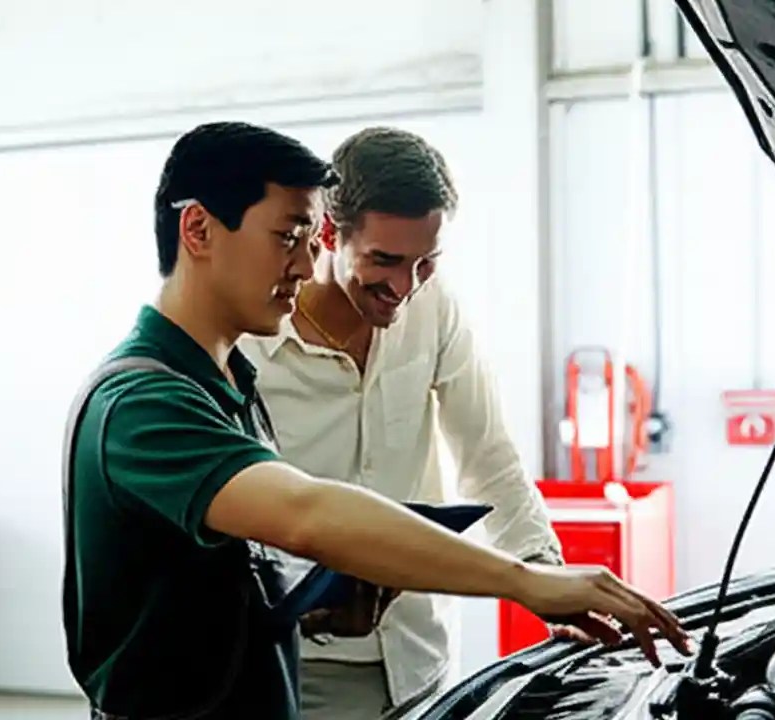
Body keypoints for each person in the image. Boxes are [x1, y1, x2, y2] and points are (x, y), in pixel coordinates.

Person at [62, 121, 689, 720]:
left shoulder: (231, 380)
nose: (304, 266)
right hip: (267, 690)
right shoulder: (146, 404)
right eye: (289, 238)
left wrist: (314, 610)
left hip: (394, 655)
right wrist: (522, 582)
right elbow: (306, 514)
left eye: (303, 242)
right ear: (197, 229)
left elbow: (228, 571)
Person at [238, 126, 570, 719]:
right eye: (384, 261)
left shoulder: (434, 305)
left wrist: (547, 579)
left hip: (422, 652)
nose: (404, 287)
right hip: (307, 666)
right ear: (327, 233)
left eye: (425, 263)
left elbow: (489, 456)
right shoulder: (252, 339)